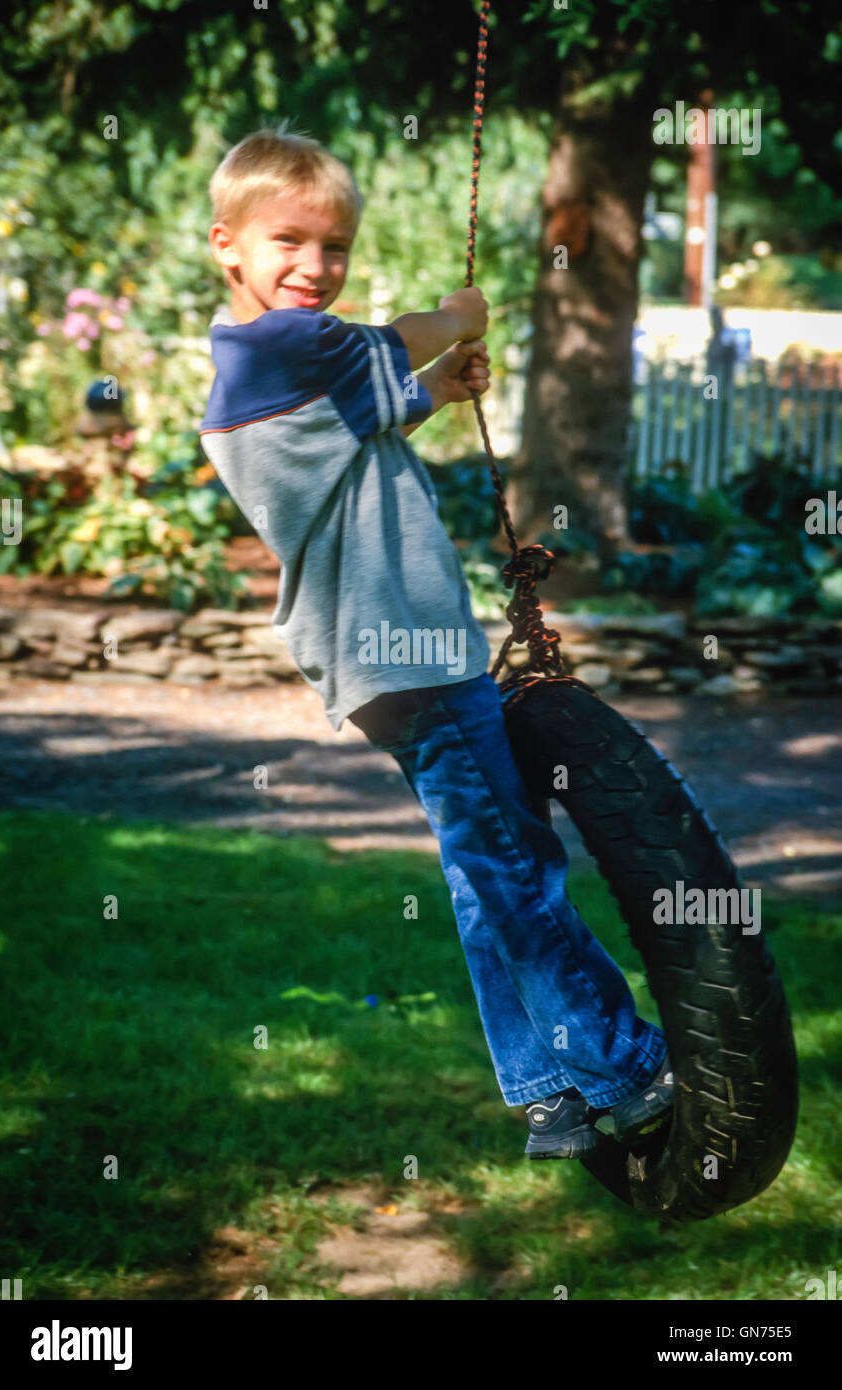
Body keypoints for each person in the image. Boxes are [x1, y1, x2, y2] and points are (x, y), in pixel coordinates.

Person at [199, 127, 674, 1160]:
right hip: (407, 655)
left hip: (390, 659)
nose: (315, 268)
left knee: (481, 867)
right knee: (514, 864)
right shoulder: (286, 345)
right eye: (290, 241)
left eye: (334, 250)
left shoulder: (262, 363)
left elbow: (353, 431)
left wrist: (436, 393)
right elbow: (404, 333)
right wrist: (456, 320)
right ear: (225, 243)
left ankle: (549, 1088)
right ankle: (622, 1065)